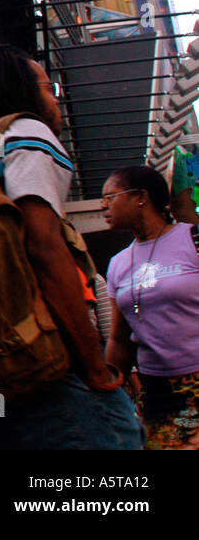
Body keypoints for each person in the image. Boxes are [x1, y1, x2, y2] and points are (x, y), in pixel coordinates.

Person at [0, 44, 141, 449]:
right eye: (47, 85)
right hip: (42, 370)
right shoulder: (25, 132)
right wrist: (94, 367)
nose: (54, 97)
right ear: (21, 91)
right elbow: (44, 246)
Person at [102, 165, 199, 449]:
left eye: (110, 197)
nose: (103, 205)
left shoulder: (193, 240)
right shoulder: (118, 263)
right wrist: (108, 391)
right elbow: (120, 339)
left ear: (141, 197)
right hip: (157, 396)